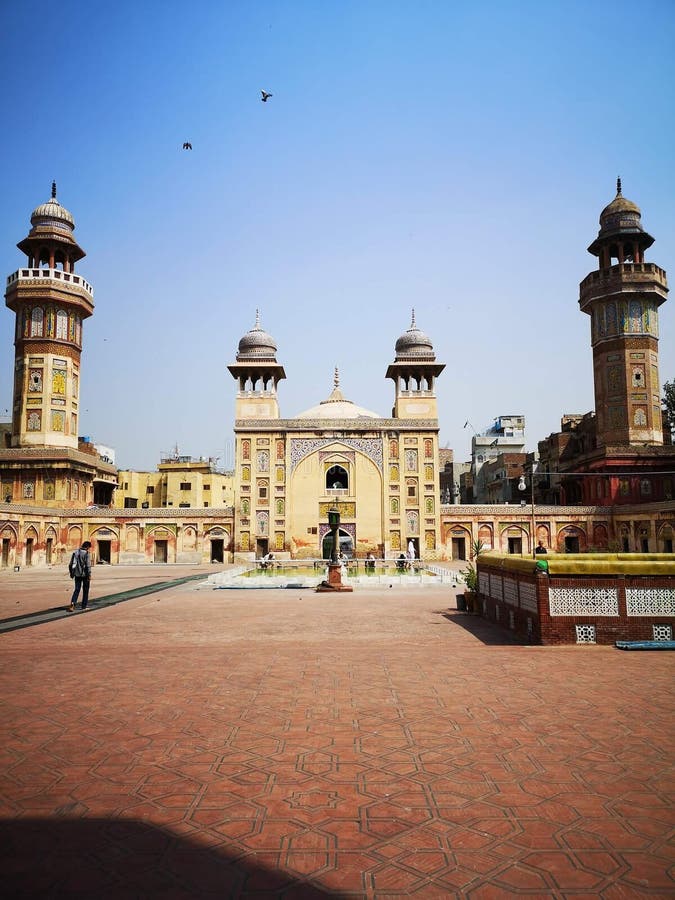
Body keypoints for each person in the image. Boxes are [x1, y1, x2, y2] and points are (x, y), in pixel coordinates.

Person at [68, 541, 92, 611]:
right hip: (85, 574)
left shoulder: (76, 552)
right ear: (87, 547)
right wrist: (89, 574)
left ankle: (72, 604)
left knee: (77, 589)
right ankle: (84, 606)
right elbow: (88, 565)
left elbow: (70, 564)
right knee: (85, 590)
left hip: (77, 574)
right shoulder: (87, 553)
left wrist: (71, 573)